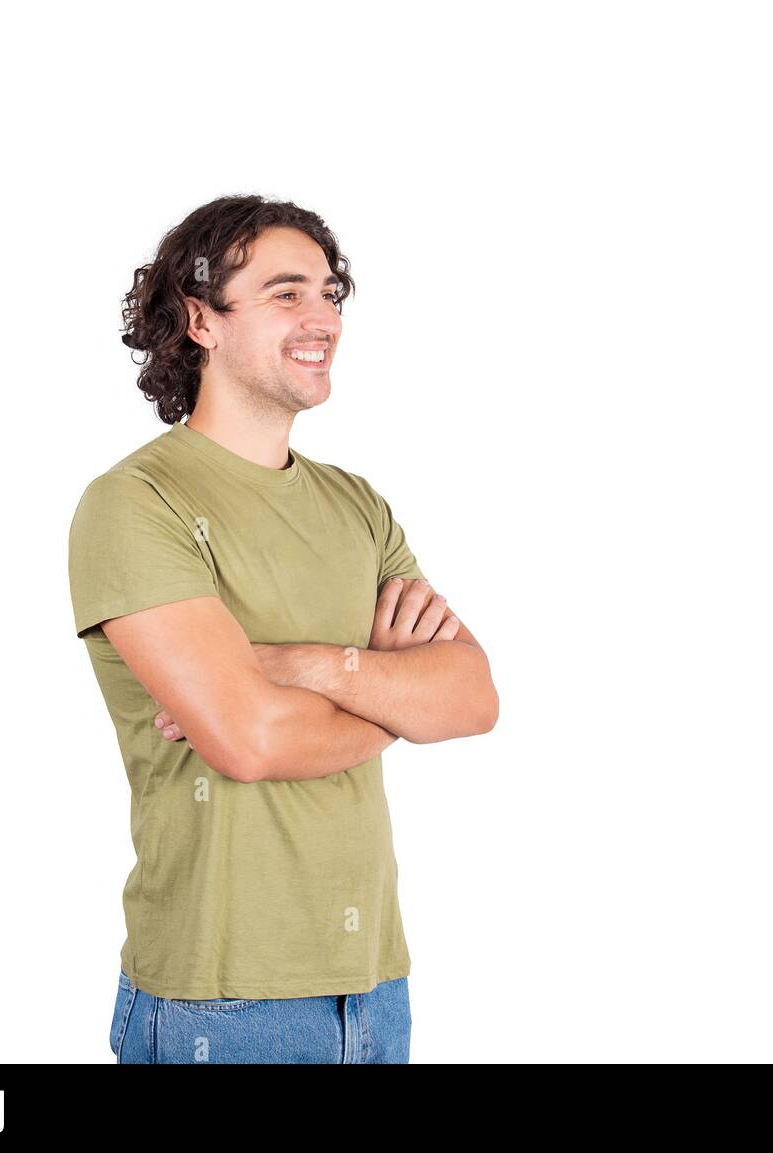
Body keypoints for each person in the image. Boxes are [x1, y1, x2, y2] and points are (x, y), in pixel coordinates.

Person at [68, 195, 498, 1063]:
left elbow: (473, 697)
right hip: (220, 1002)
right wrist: (396, 695)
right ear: (201, 320)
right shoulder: (137, 503)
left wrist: (301, 666)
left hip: (374, 985)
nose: (324, 318)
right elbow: (250, 740)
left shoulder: (357, 504)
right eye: (286, 293)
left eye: (331, 293)